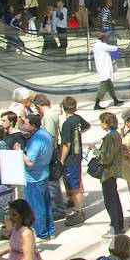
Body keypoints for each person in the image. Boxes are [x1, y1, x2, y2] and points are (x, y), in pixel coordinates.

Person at [17, 113, 54, 240]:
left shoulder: (35, 141)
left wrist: (19, 151)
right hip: (43, 175)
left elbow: (30, 162)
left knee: (36, 207)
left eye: (26, 123)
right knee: (46, 204)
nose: (24, 125)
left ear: (33, 126)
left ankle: (42, 233)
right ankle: (50, 230)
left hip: (34, 178)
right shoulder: (45, 134)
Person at [58, 97, 88, 226]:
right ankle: (76, 208)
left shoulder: (67, 124)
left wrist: (61, 160)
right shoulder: (77, 118)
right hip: (78, 154)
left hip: (71, 158)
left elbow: (66, 144)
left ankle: (78, 211)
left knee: (74, 185)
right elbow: (87, 126)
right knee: (73, 182)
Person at [93, 33, 125, 109]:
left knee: (109, 84)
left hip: (104, 68)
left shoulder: (97, 45)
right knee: (103, 85)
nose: (107, 39)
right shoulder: (101, 45)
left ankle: (115, 99)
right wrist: (118, 48)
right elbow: (113, 48)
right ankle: (97, 104)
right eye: (106, 38)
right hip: (103, 68)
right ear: (103, 38)